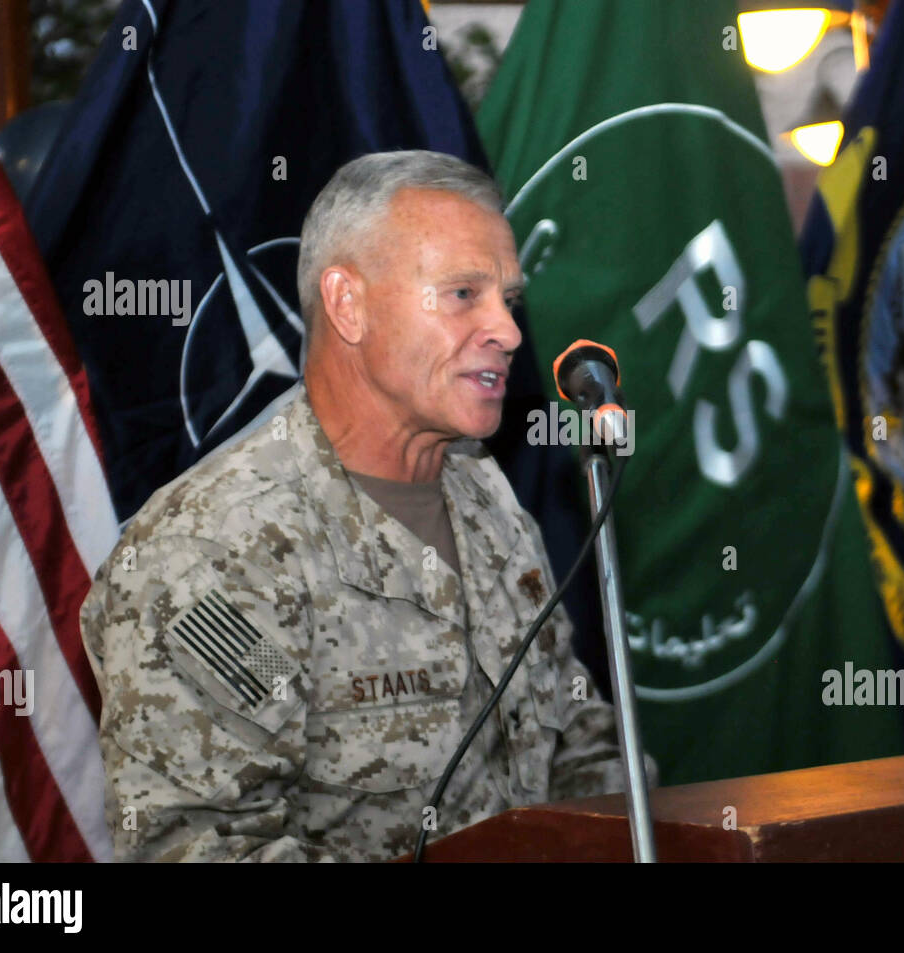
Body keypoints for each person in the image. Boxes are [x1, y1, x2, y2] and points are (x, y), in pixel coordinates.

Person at [80, 150, 652, 862]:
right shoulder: (214, 548)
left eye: (508, 299)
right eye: (464, 293)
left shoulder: (489, 496)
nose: (506, 331)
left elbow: (574, 736)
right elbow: (206, 845)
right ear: (348, 305)